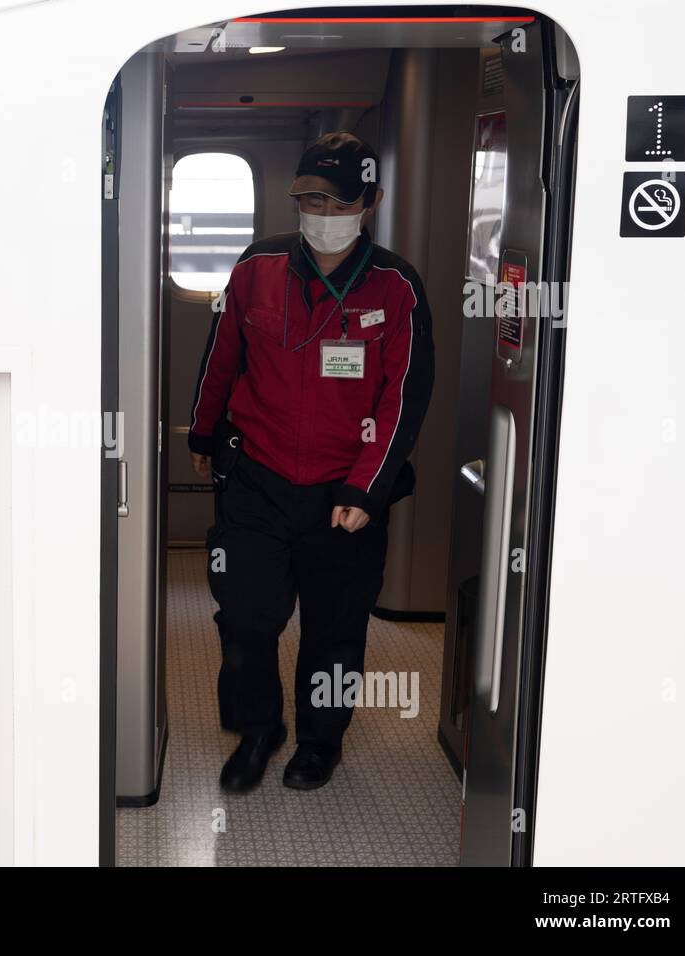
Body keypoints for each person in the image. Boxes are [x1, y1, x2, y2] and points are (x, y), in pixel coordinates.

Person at [188, 131, 434, 792]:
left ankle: (319, 743)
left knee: (335, 632)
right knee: (245, 617)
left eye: (334, 201)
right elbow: (222, 360)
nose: (320, 214)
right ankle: (257, 730)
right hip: (258, 479)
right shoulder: (256, 269)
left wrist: (367, 488)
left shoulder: (396, 287)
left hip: (344, 493)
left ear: (369, 202)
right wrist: (203, 436)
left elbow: (403, 399)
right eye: (309, 200)